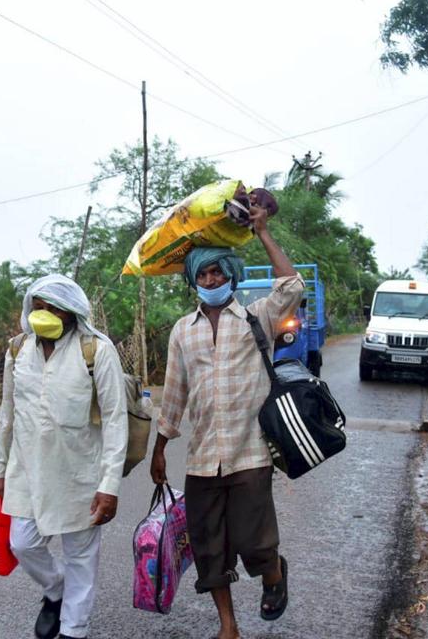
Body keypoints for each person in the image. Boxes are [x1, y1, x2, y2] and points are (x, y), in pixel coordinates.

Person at [150, 202, 304, 639]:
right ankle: (228, 626)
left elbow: (291, 286)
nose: (211, 280)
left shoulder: (257, 317)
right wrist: (160, 447)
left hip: (249, 451)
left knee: (255, 542)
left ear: (231, 275)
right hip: (202, 459)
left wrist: (263, 232)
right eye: (202, 274)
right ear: (193, 281)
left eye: (217, 272)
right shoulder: (183, 330)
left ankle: (273, 573)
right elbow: (174, 391)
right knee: (209, 549)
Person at [0, 274, 128, 639]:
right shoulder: (18, 349)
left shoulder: (96, 350)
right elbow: (7, 414)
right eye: (38, 306)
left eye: (54, 308)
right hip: (26, 471)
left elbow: (115, 419)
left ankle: (74, 628)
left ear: (71, 312)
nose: (44, 314)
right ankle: (55, 590)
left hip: (80, 472)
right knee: (23, 543)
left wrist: (109, 485)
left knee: (80, 555)